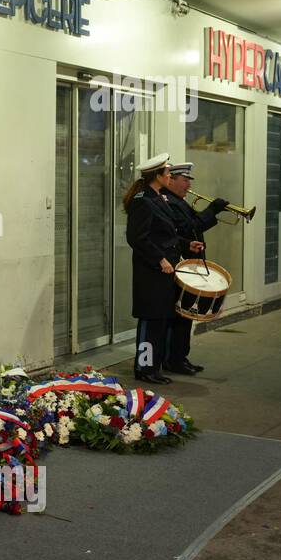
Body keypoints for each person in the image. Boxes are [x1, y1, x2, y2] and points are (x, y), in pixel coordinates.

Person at [123, 153, 201, 386]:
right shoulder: (142, 200)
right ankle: (144, 368)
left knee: (161, 320)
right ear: (156, 176)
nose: (170, 176)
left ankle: (155, 366)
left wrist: (187, 244)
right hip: (151, 272)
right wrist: (160, 259)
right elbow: (137, 237)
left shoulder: (158, 198)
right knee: (150, 320)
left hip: (166, 270)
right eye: (167, 173)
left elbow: (166, 234)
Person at [161, 162, 226, 375]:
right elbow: (192, 227)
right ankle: (174, 360)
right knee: (180, 315)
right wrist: (212, 210)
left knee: (186, 315)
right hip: (181, 263)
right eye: (185, 180)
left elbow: (194, 225)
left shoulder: (179, 201)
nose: (189, 184)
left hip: (189, 260)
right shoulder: (169, 202)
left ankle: (181, 357)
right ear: (171, 179)